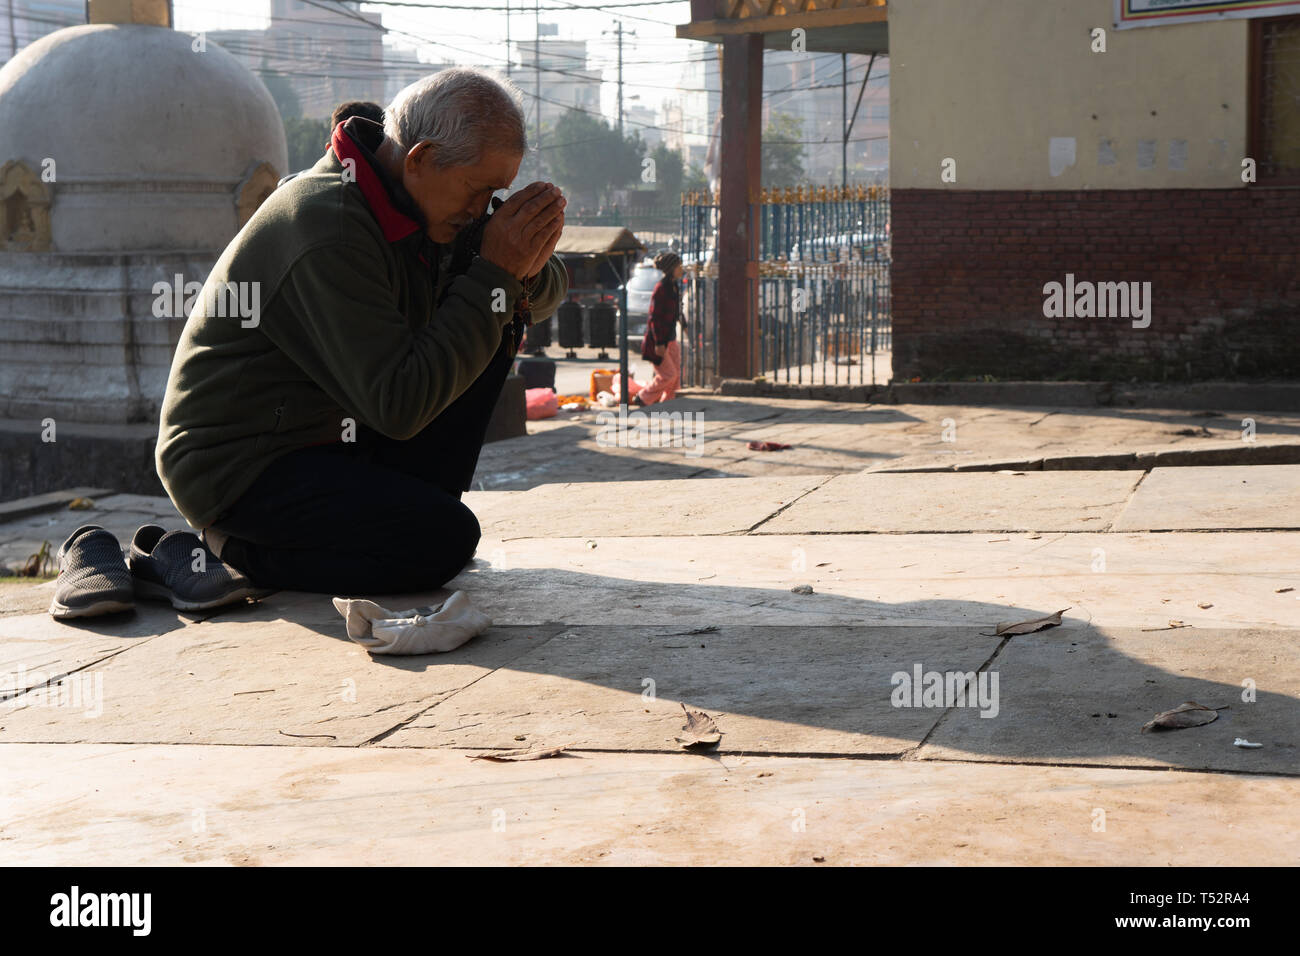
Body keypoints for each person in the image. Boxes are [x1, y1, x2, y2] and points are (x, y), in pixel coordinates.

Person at [153, 67, 568, 596]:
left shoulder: (432, 203)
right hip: (242, 463)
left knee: (496, 310)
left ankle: (399, 511)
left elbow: (541, 292)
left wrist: (522, 255)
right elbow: (398, 403)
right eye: (478, 189)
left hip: (338, 435)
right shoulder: (329, 226)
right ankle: (229, 547)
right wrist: (496, 271)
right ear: (419, 159)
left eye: (495, 194)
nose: (480, 208)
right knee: (441, 543)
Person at [634, 251, 684, 406]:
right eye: (679, 266)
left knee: (675, 378)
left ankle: (668, 403)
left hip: (671, 338)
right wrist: (659, 344)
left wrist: (685, 326)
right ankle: (642, 398)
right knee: (669, 375)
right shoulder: (661, 288)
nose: (681, 269)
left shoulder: (674, 286)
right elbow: (654, 318)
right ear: (671, 269)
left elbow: (677, 311)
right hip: (658, 341)